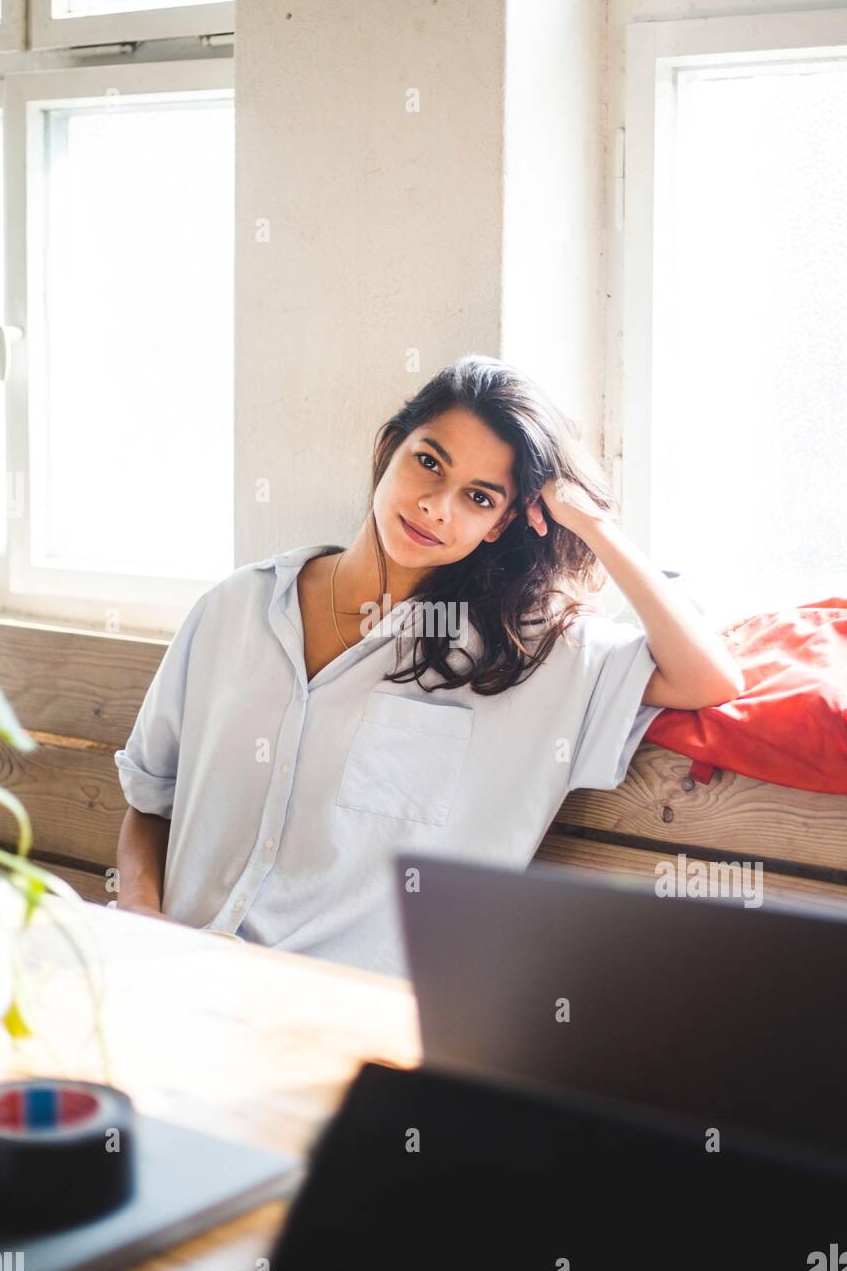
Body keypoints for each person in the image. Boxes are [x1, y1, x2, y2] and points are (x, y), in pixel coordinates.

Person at [113, 355, 743, 977]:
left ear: (501, 523)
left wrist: (590, 522)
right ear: (390, 446)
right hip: (173, 985)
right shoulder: (236, 606)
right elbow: (151, 796)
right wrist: (142, 914)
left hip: (352, 1027)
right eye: (428, 462)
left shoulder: (522, 655)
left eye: (478, 496)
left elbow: (708, 677)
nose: (437, 506)